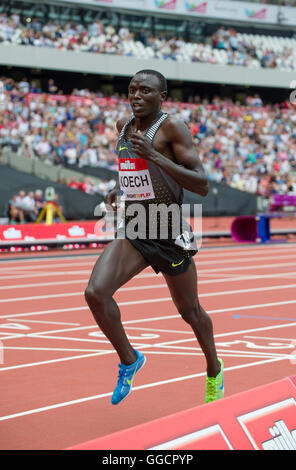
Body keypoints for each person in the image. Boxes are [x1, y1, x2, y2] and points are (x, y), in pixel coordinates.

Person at [85, 69, 223, 405]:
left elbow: (201, 184)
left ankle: (214, 369)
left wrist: (155, 155)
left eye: (145, 91)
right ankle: (130, 360)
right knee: (96, 293)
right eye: (132, 90)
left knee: (190, 311)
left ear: (162, 96)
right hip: (135, 226)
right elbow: (136, 174)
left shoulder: (171, 126)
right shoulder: (125, 127)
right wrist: (118, 192)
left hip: (168, 231)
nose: (136, 96)